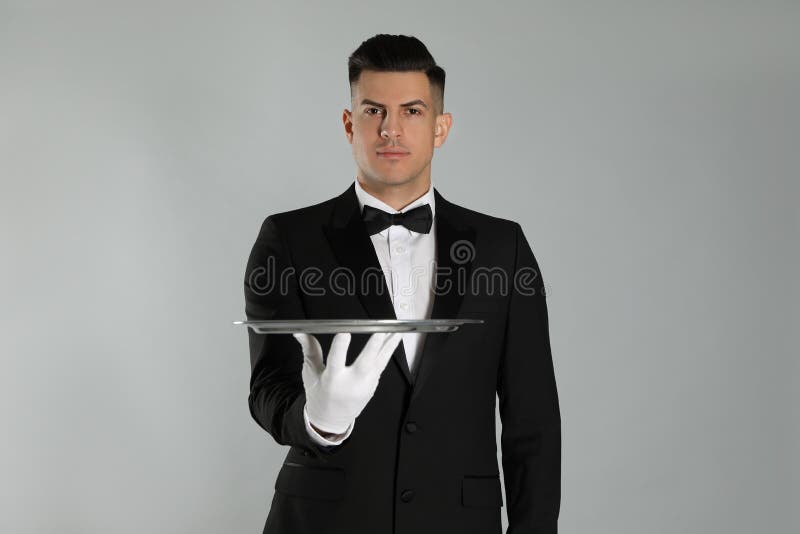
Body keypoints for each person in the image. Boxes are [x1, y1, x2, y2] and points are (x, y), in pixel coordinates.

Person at [244, 33, 561, 534]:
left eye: (412, 111)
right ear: (350, 125)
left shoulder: (505, 248)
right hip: (323, 521)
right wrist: (317, 419)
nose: (391, 129)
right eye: (374, 111)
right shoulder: (287, 239)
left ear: (440, 128)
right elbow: (268, 388)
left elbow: (533, 421)